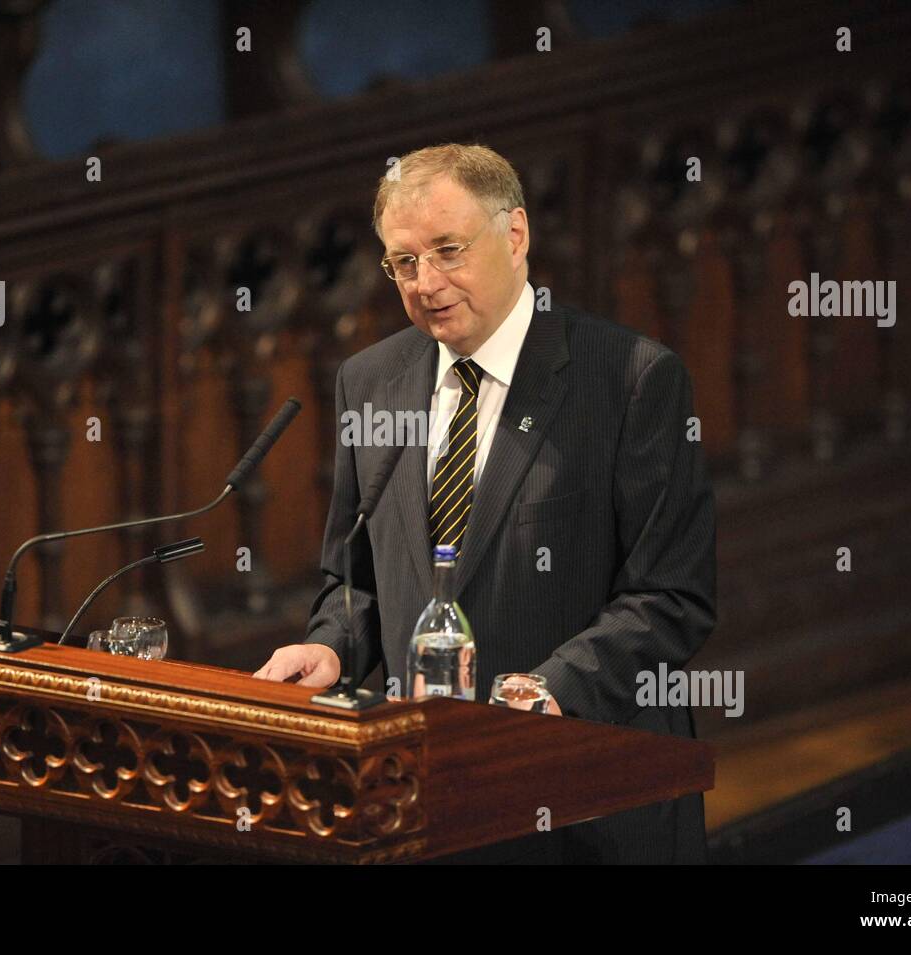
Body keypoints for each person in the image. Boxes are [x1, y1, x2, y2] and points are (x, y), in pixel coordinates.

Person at [253, 143, 716, 864]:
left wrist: (554, 686)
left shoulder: (629, 380)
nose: (426, 282)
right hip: (427, 797)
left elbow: (671, 593)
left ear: (516, 234)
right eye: (404, 262)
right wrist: (332, 647)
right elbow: (357, 578)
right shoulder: (370, 381)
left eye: (447, 250)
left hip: (587, 799)